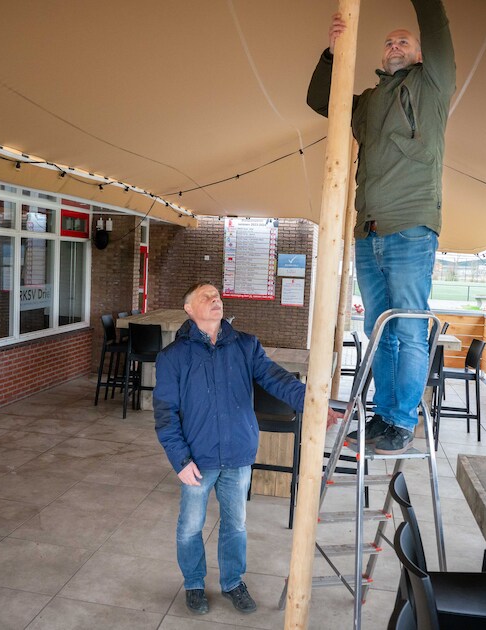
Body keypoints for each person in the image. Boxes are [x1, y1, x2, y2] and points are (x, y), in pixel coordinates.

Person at [306, 0, 455, 454]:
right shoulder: (369, 102)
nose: (394, 46)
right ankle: (384, 416)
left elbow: (437, 29)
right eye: (388, 42)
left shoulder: (432, 84)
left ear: (420, 53)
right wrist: (331, 54)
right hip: (367, 231)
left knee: (408, 329)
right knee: (379, 330)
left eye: (403, 41)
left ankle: (402, 421)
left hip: (409, 224)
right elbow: (321, 101)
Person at [154, 282, 339, 615]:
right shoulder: (173, 357)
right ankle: (194, 584)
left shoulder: (245, 346)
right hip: (197, 458)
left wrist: (314, 404)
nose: (215, 300)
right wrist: (180, 460)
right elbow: (165, 413)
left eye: (217, 296)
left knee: (235, 524)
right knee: (190, 527)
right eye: (206, 297)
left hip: (238, 454)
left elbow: (276, 379)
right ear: (189, 309)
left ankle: (232, 582)